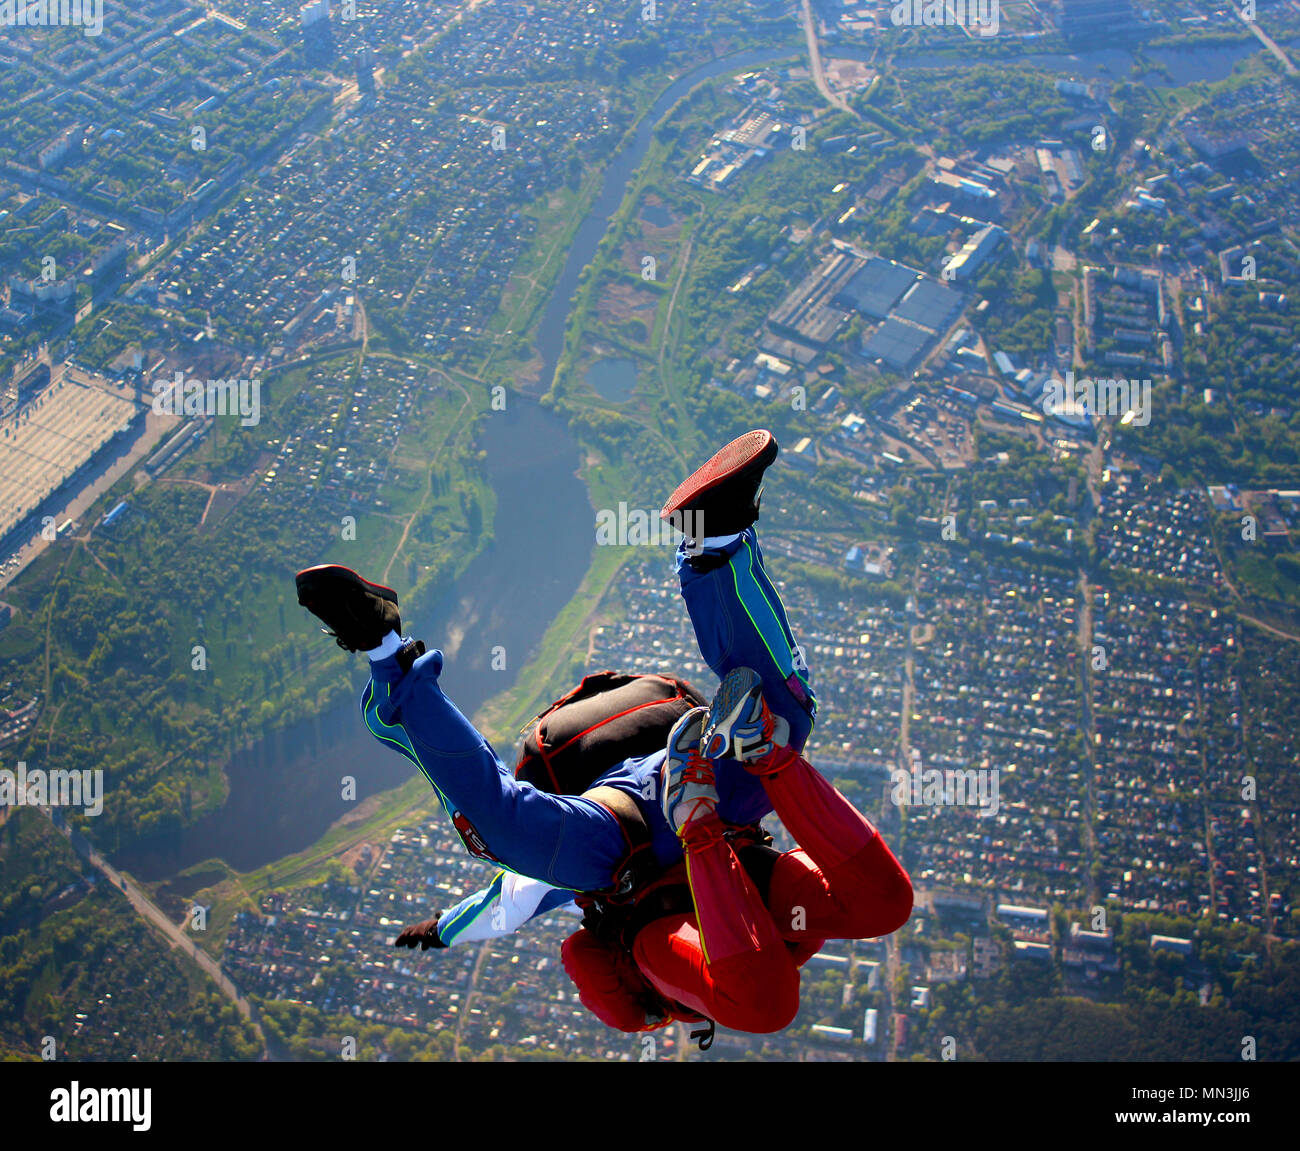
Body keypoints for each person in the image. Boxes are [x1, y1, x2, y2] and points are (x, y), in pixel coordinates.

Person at [295, 430, 912, 1035]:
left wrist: (441, 928)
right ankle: (718, 542)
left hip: (626, 844)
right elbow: (499, 909)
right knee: (882, 904)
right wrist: (441, 931)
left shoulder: (661, 960)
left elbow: (501, 904)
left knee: (762, 998)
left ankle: (385, 650)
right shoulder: (705, 977)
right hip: (704, 813)